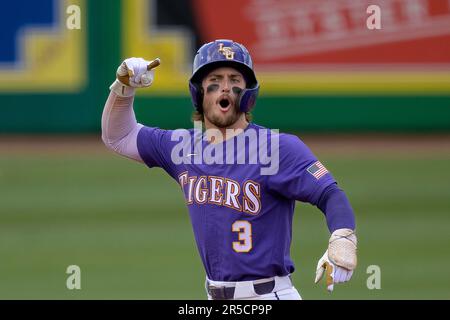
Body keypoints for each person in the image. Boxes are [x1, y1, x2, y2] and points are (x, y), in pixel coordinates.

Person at [101, 39, 357, 300]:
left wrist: (343, 236)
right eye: (215, 79)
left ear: (249, 93)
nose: (225, 87)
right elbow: (119, 136)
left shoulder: (276, 148)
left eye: (235, 79)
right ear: (199, 93)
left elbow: (329, 193)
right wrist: (123, 88)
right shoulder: (181, 147)